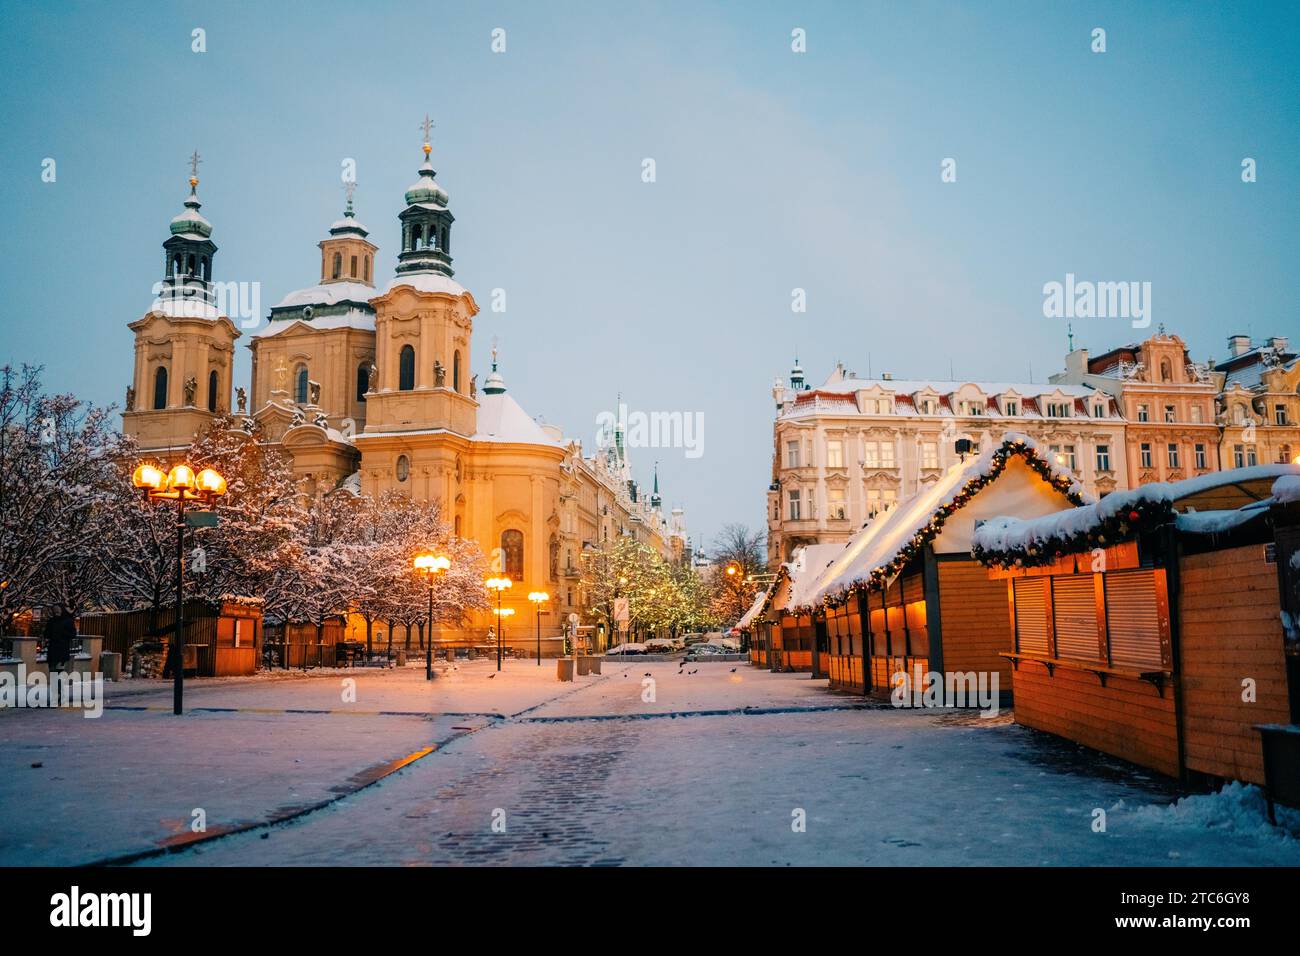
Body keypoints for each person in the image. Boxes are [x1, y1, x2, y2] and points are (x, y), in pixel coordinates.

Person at [44, 605, 76, 704]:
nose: (56, 612)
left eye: (58, 610)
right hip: (53, 652)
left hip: (61, 652)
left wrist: (62, 634)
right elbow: (46, 634)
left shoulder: (67, 621)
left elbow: (72, 634)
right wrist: (47, 637)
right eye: (55, 610)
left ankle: (59, 695)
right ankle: (56, 695)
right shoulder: (51, 621)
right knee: (54, 674)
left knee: (59, 674)